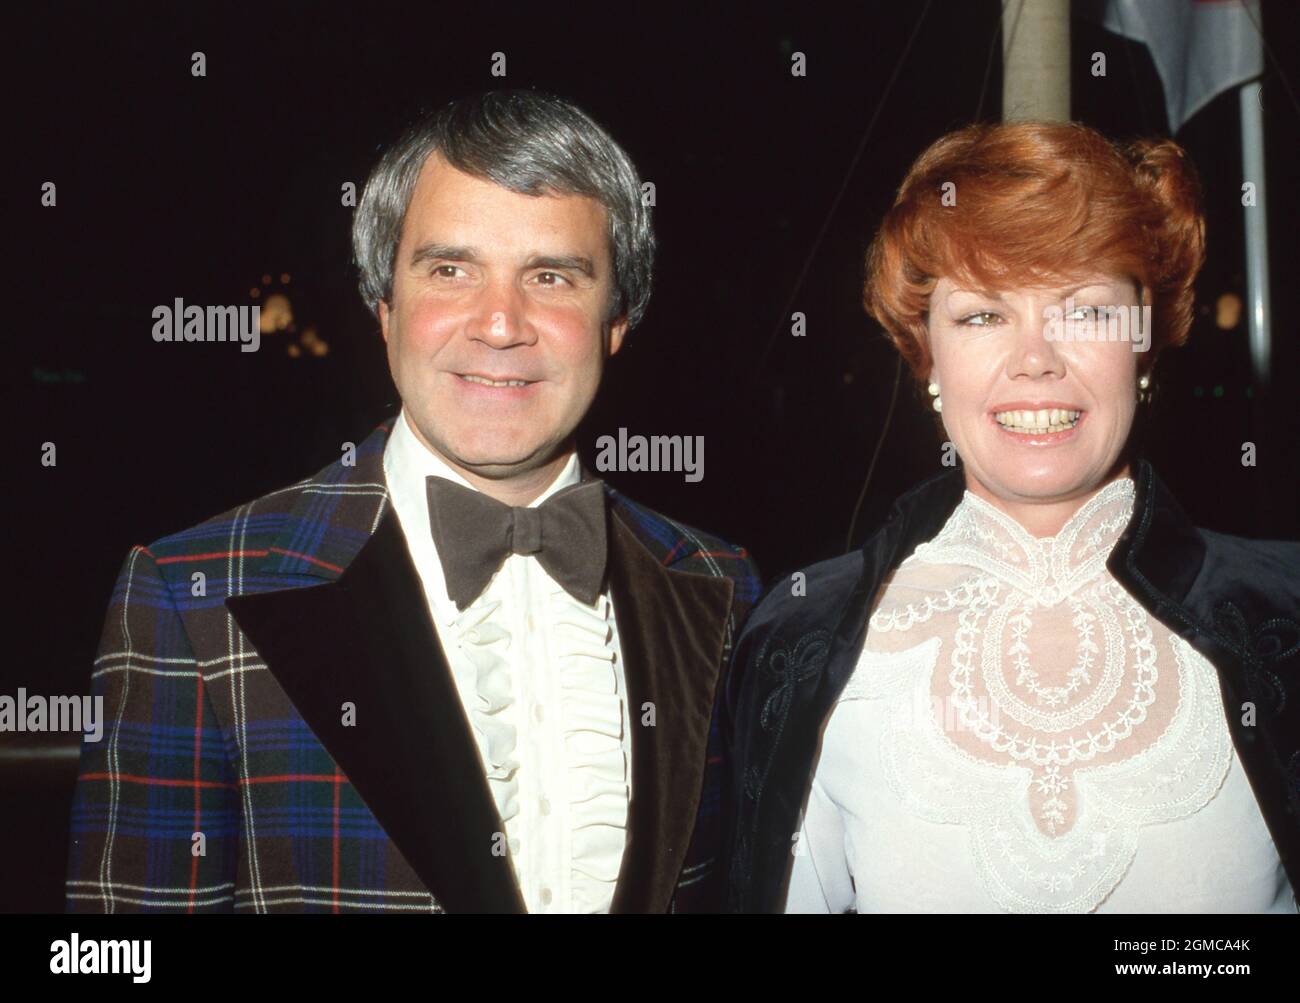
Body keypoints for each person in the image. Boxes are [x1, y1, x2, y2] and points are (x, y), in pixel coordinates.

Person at [66, 89, 759, 914]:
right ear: (383, 304)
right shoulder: (193, 596)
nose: (501, 323)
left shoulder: (727, 588)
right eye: (451, 270)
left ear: (617, 320)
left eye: (551, 276)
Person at [725, 121, 1300, 914]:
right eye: (984, 316)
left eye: (1088, 310)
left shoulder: (1285, 615)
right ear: (927, 356)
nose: (1036, 358)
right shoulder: (803, 639)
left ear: (1145, 348)